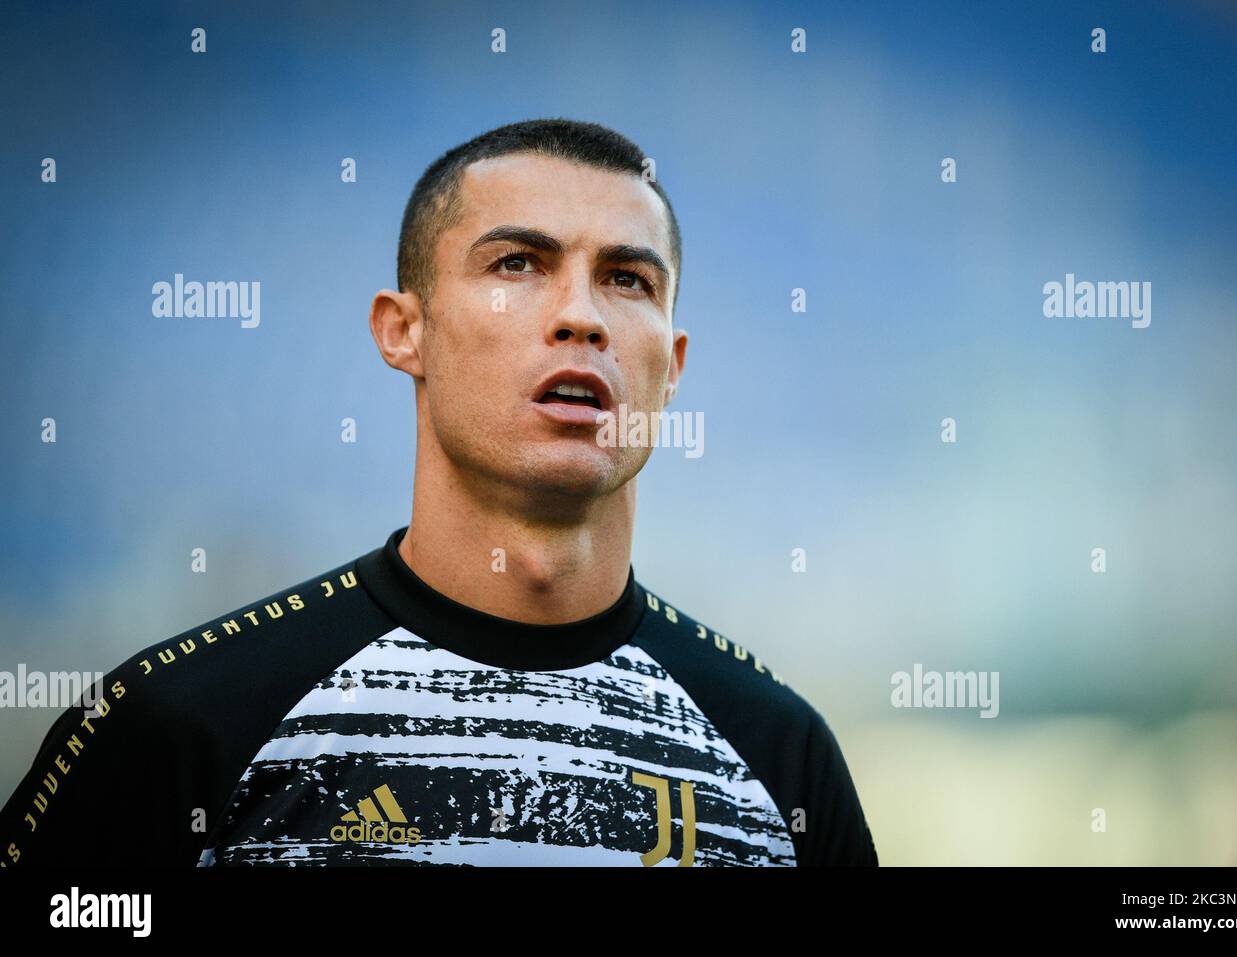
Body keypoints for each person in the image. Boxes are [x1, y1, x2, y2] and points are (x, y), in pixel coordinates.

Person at [0, 118, 877, 867]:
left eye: (627, 279)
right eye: (519, 264)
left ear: (673, 366)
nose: (583, 315)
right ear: (403, 330)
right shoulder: (178, 725)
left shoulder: (780, 759)